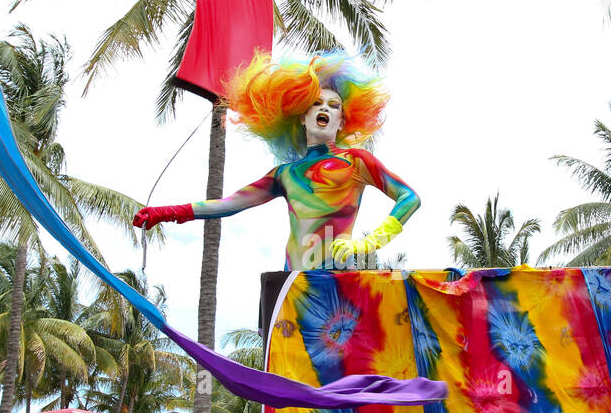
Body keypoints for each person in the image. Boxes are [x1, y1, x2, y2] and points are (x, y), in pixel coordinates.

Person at [134, 52, 419, 271]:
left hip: (337, 280)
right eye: (316, 103)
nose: (325, 109)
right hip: (289, 283)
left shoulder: (356, 161)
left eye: (334, 106)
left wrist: (371, 241)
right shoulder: (285, 174)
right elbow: (228, 204)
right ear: (300, 116)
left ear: (343, 120)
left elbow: (409, 198)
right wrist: (166, 213)